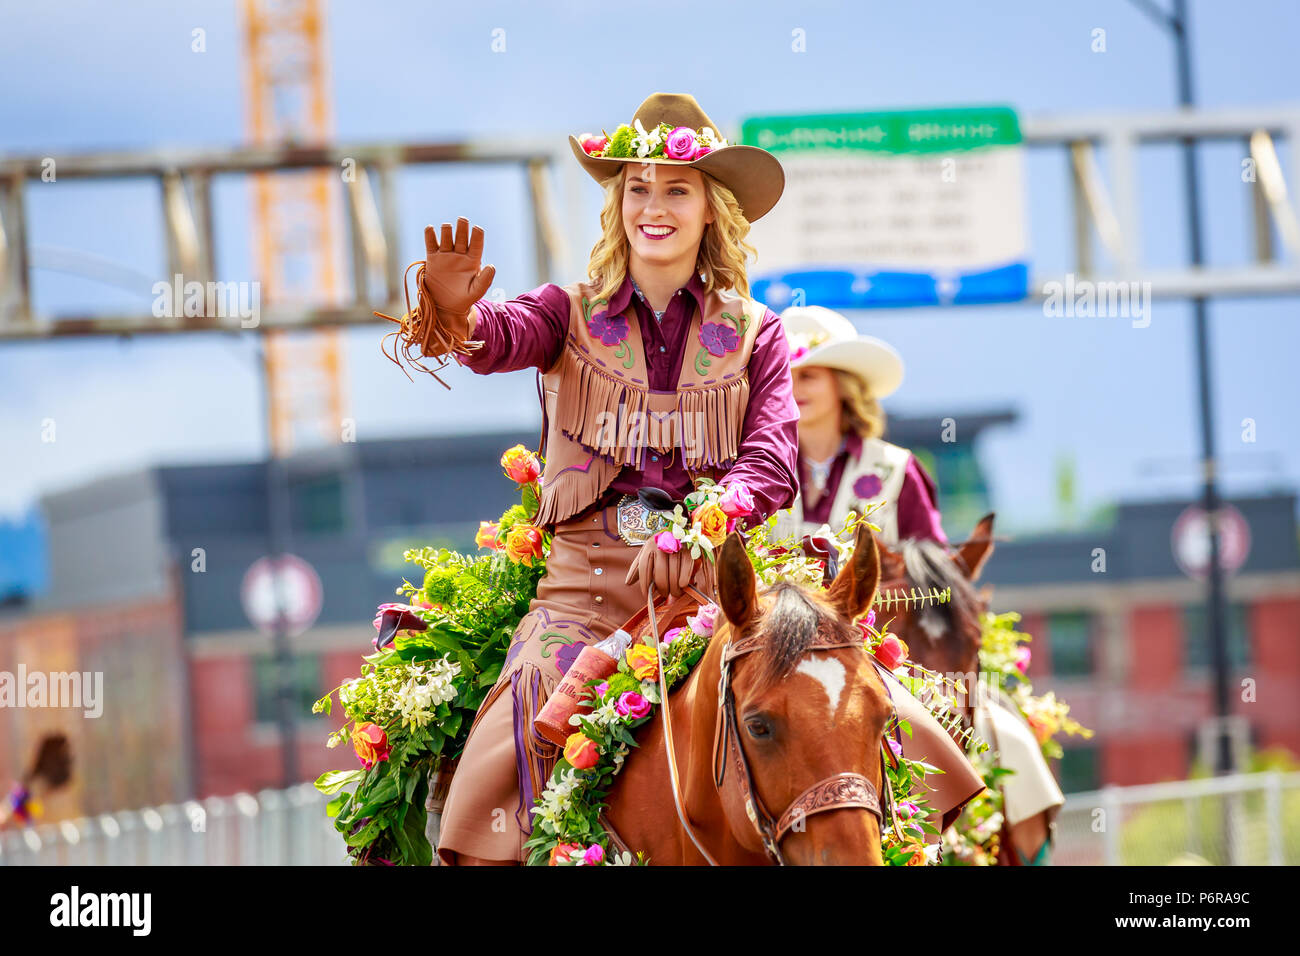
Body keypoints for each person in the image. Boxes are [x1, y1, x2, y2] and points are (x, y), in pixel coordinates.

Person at [385, 92, 801, 865]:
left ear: (712, 210)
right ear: (618, 205)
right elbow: (499, 336)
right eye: (637, 188)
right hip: (581, 598)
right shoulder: (565, 312)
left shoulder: (759, 333)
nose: (655, 205)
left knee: (837, 708)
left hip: (714, 598)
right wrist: (458, 316)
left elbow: (773, 460)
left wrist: (699, 527)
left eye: (677, 189)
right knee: (510, 743)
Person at [771, 305, 948, 547]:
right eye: (784, 377)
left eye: (808, 376)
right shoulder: (760, 465)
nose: (792, 388)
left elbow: (932, 570)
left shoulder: (897, 470)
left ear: (843, 386)